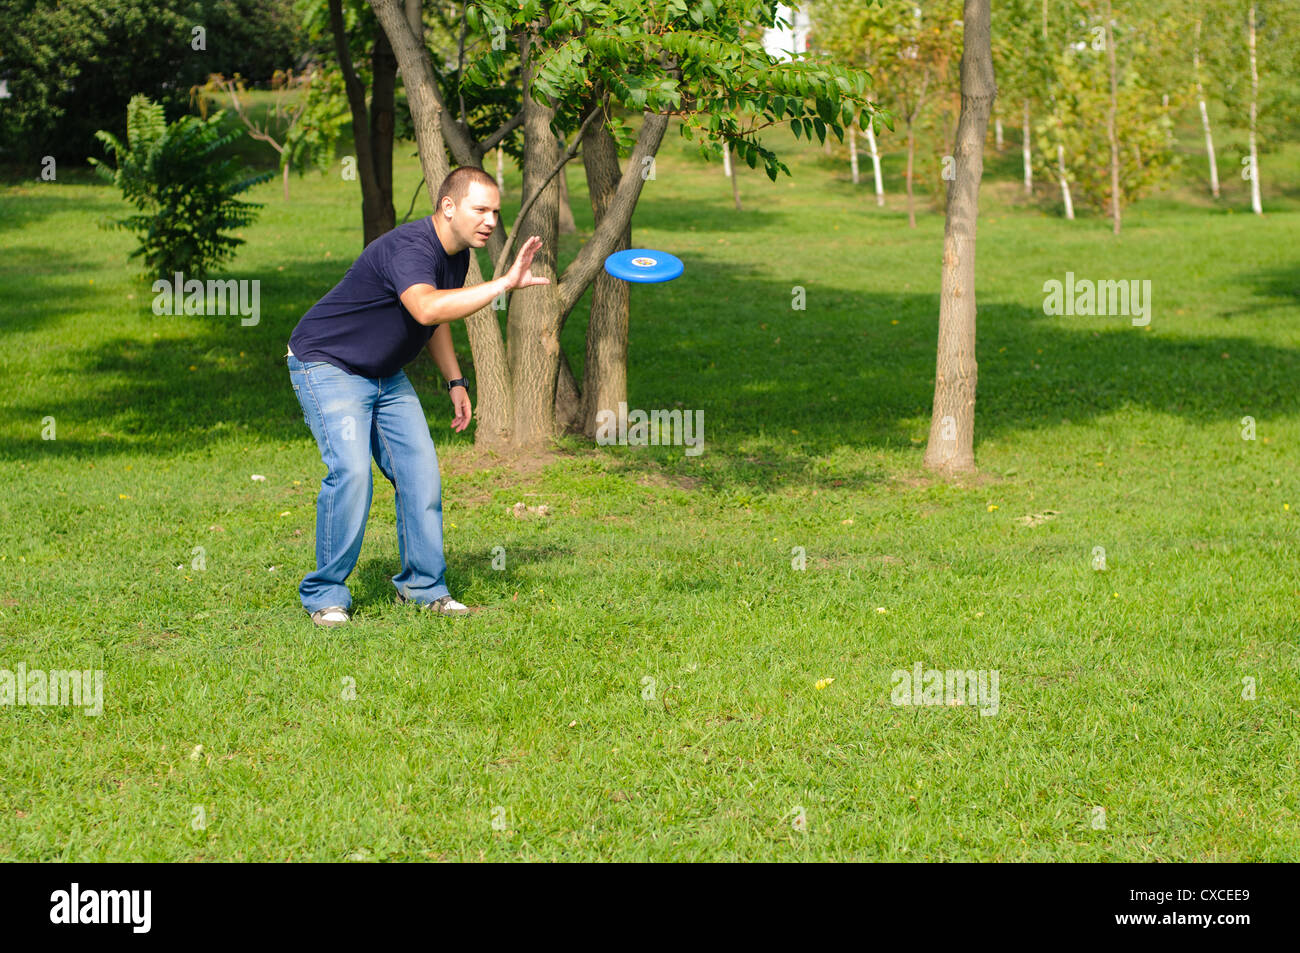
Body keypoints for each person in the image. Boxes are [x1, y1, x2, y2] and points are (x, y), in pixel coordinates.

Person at [286, 167, 548, 626]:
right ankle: (324, 595)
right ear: (448, 207)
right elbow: (427, 305)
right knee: (350, 473)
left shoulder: (457, 254)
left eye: (495, 212)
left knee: (420, 475)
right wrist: (504, 284)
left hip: (385, 373)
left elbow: (432, 319)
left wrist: (455, 380)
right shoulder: (411, 247)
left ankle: (424, 587)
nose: (490, 220)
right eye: (480, 209)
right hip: (328, 363)